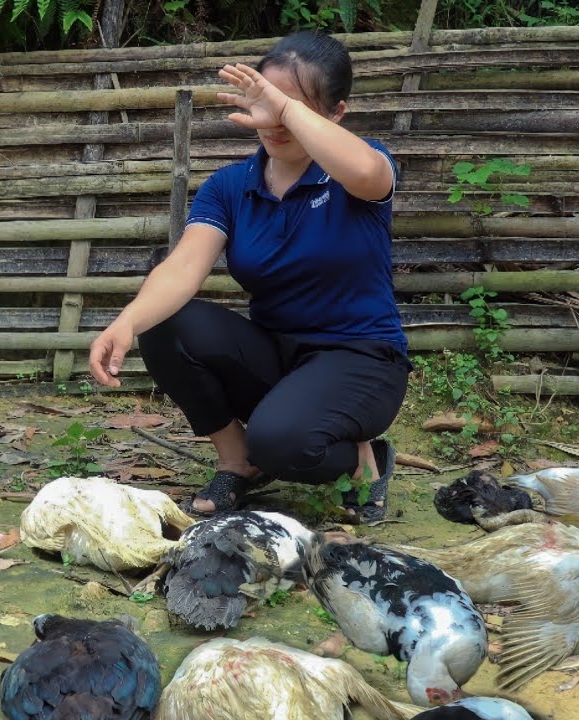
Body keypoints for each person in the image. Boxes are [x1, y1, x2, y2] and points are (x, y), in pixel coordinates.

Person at [88, 31, 411, 522]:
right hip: (276, 352)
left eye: (290, 108)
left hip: (361, 358)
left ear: (335, 114)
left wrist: (282, 105)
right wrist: (126, 322)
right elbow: (183, 268)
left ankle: (366, 460)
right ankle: (237, 461)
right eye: (265, 102)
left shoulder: (361, 168)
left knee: (282, 441)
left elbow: (366, 171)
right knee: (164, 321)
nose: (273, 121)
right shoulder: (231, 187)